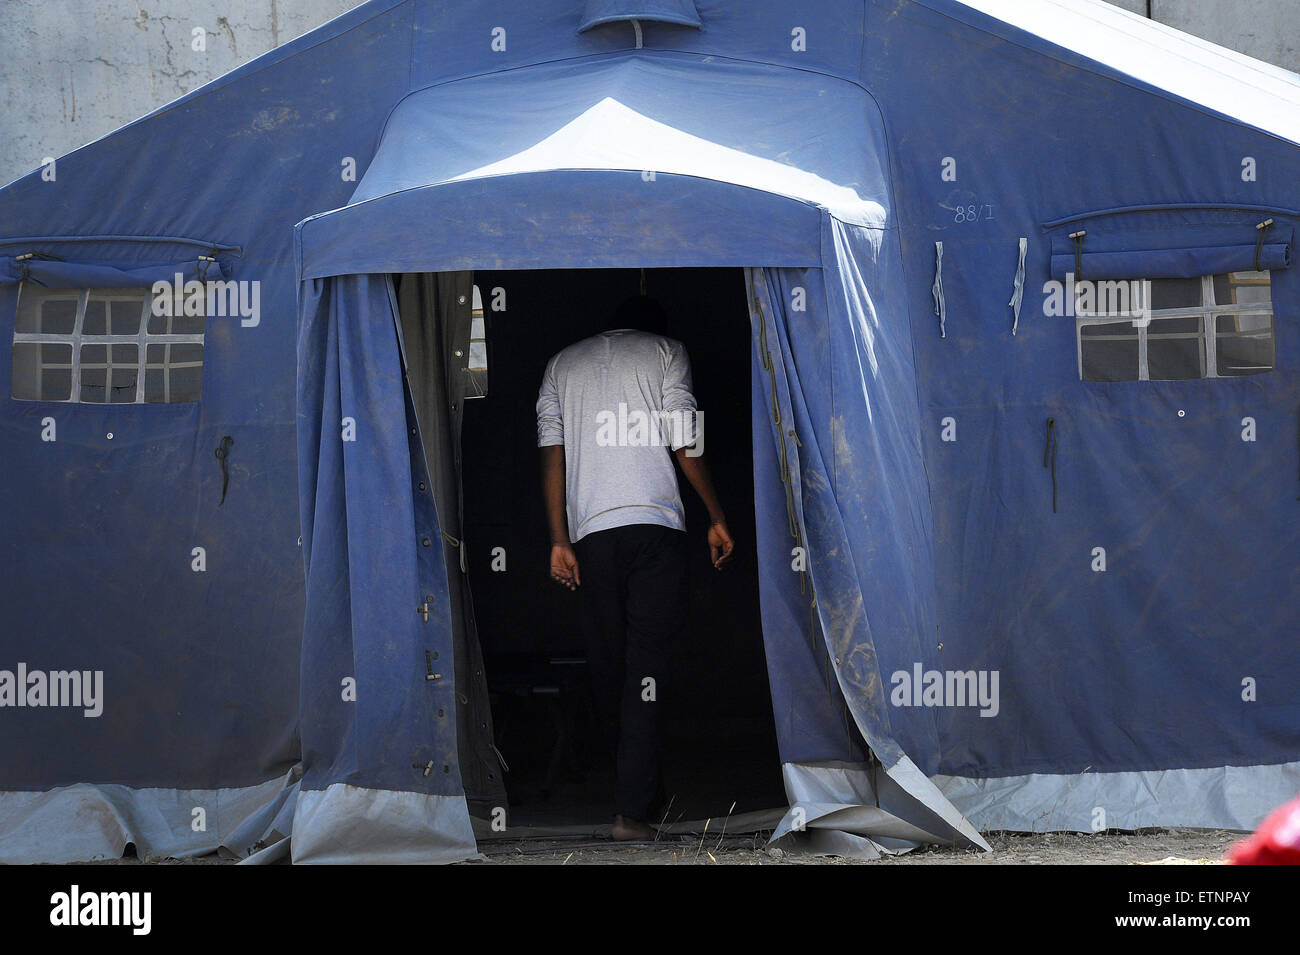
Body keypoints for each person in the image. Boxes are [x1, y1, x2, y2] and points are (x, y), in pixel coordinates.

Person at [536, 295, 734, 841]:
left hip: (590, 535)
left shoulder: (561, 363)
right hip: (655, 529)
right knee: (647, 667)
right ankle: (631, 811)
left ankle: (637, 792)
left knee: (609, 665)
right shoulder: (669, 352)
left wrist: (558, 539)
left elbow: (551, 455)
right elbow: (685, 442)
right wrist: (715, 515)